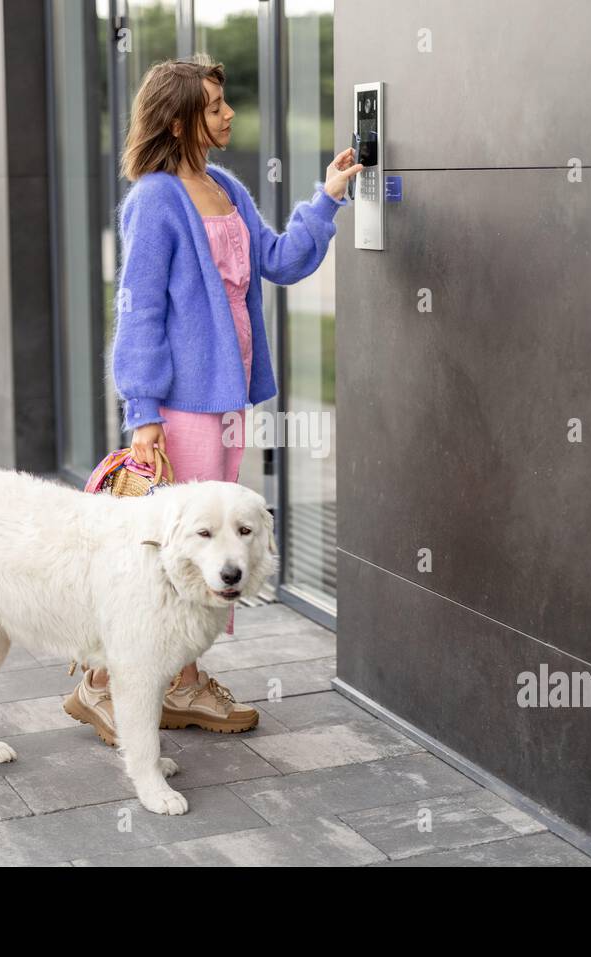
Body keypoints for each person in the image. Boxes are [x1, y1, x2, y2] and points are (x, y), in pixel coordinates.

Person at [63, 54, 361, 746]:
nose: (229, 114)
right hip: (179, 412)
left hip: (228, 404)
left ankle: (180, 679)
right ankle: (106, 685)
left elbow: (282, 260)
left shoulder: (223, 186)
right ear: (179, 117)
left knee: (210, 543)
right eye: (217, 105)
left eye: (226, 103)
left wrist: (330, 196)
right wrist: (141, 413)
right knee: (170, 549)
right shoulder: (154, 200)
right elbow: (135, 313)